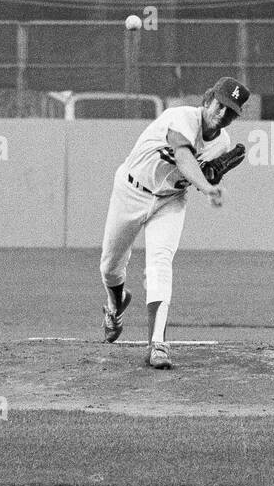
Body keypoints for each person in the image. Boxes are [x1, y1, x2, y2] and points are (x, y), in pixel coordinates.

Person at [99, 77, 247, 368]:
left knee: (160, 264)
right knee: (110, 266)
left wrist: (210, 174)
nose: (222, 115)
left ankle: (158, 344)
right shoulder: (180, 117)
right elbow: (182, 155)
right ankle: (116, 304)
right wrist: (207, 185)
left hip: (170, 200)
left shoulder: (223, 143)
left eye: (231, 112)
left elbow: (194, 171)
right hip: (131, 189)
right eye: (221, 105)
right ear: (208, 99)